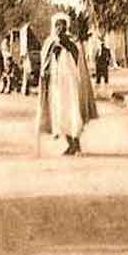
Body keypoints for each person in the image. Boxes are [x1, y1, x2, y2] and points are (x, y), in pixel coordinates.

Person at [36, 14, 98, 156]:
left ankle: (77, 145)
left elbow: (79, 62)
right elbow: (45, 64)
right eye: (57, 25)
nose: (60, 28)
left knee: (72, 112)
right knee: (60, 113)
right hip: (56, 84)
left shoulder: (72, 42)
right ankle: (70, 144)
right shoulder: (50, 43)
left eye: (63, 24)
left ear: (67, 26)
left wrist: (66, 45)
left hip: (71, 84)